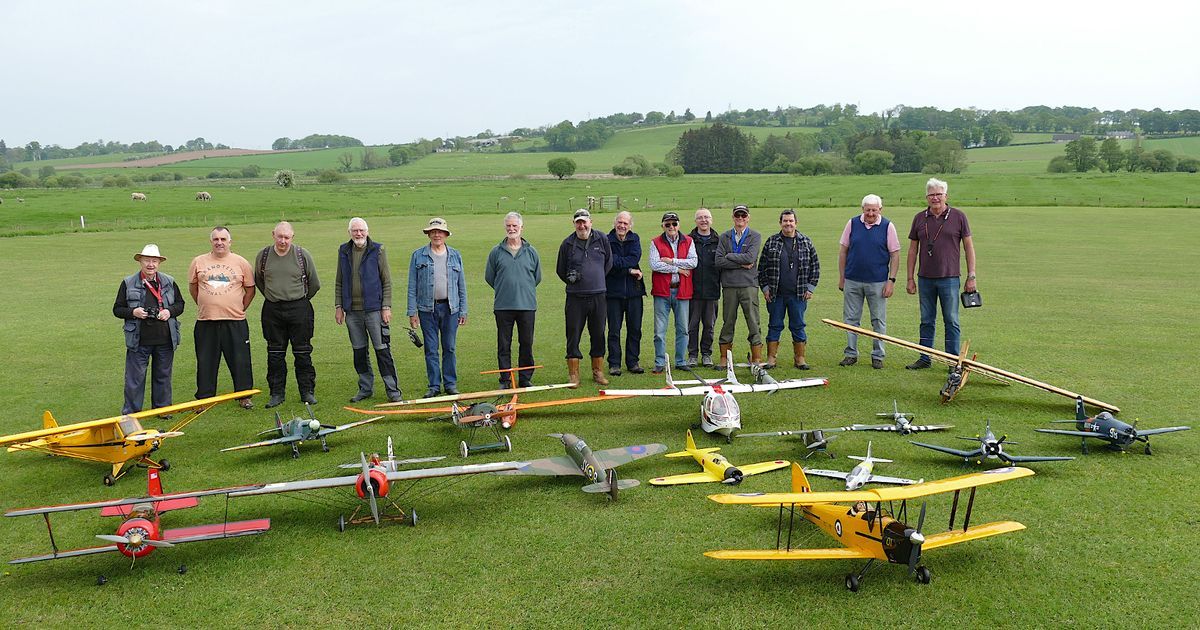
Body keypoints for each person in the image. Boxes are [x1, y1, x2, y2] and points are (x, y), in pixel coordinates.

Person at [904, 178, 977, 369]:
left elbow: (968, 247)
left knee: (951, 320)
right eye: (931, 195)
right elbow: (913, 250)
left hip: (950, 278)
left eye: (939, 194)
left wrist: (971, 275)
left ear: (946, 196)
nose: (935, 198)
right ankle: (925, 357)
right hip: (925, 279)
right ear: (926, 197)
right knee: (926, 320)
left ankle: (952, 361)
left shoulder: (959, 216)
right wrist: (910, 278)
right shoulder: (919, 218)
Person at [335, 217, 403, 402]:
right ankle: (365, 388)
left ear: (367, 231)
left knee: (382, 350)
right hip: (352, 313)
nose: (359, 234)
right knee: (359, 351)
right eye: (355, 230)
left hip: (374, 311)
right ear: (349, 232)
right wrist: (339, 306)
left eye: (362, 230)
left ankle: (393, 390)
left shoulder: (377, 250)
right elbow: (339, 281)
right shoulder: (343, 250)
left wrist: (386, 307)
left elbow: (386, 281)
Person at [254, 221, 321, 408]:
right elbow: (259, 281)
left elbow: (314, 283)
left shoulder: (302, 255)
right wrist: (274, 296)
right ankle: (276, 393)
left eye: (286, 237)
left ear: (292, 237)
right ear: (273, 234)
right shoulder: (264, 256)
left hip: (299, 308)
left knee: (302, 352)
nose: (283, 240)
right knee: (275, 353)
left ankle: (307, 392)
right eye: (279, 236)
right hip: (273, 310)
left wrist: (299, 299)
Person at [188, 226, 255, 408]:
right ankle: (205, 398)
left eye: (223, 239)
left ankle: (244, 395)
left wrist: (239, 307)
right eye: (216, 239)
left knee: (240, 359)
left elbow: (250, 289)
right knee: (206, 360)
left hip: (235, 321)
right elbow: (193, 288)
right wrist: (207, 304)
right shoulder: (198, 261)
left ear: (230, 242)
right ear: (211, 241)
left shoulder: (241, 262)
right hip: (206, 321)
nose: (219, 243)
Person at [114, 244, 185, 414]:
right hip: (139, 341)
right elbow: (117, 309)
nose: (150, 264)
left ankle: (162, 410)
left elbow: (180, 305)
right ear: (140, 262)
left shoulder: (169, 281)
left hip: (165, 339)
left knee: (163, 377)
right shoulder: (128, 282)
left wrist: (169, 311)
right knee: (134, 380)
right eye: (147, 260)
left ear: (159, 263)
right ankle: (131, 413)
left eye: (154, 261)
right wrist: (133, 312)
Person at [837, 195, 900, 369]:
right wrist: (842, 277)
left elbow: (895, 255)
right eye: (867, 210)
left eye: (874, 210)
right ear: (862, 209)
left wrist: (891, 281)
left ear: (880, 209)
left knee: (878, 320)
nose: (870, 213)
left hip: (878, 282)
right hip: (852, 280)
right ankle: (851, 353)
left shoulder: (888, 226)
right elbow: (843, 251)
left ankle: (878, 355)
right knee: (850, 319)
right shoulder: (852, 224)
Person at [408, 218, 468, 397]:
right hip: (427, 310)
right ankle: (434, 386)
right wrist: (412, 312)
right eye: (433, 231)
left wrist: (463, 309)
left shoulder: (455, 255)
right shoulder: (418, 255)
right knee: (431, 349)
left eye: (440, 231)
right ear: (428, 234)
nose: (436, 234)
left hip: (451, 309)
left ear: (446, 234)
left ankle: (450, 384)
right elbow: (412, 286)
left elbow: (461, 285)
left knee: (449, 347)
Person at [556, 209, 613, 387]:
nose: (582, 225)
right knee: (573, 334)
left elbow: (608, 263)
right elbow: (560, 269)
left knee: (598, 333)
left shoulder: (602, 239)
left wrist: (596, 279)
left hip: (598, 295)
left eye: (584, 222)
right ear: (574, 224)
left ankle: (598, 372)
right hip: (575, 298)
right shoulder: (567, 243)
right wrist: (574, 282)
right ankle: (573, 374)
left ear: (591, 222)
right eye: (578, 222)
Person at [485, 213, 542, 389]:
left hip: (527, 305)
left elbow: (537, 277)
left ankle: (525, 378)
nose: (511, 229)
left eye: (515, 226)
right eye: (509, 226)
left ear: (521, 228)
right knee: (504, 344)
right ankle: (505, 380)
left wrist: (522, 289)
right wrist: (505, 289)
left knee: (526, 343)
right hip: (503, 306)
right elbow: (490, 277)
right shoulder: (496, 252)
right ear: (505, 228)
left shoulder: (532, 252)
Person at [758, 210, 820, 370]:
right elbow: (761, 268)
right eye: (785, 221)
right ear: (780, 223)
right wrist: (765, 288)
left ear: (796, 223)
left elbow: (815, 267)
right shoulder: (771, 241)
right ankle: (771, 358)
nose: (788, 224)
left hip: (798, 294)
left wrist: (811, 288)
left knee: (798, 325)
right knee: (774, 325)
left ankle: (800, 358)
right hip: (775, 294)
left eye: (791, 221)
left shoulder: (806, 242)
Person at [715, 205, 764, 368]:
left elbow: (751, 257)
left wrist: (730, 257)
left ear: (748, 217)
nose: (740, 218)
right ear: (733, 217)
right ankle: (724, 357)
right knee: (728, 321)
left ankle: (756, 358)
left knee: (753, 320)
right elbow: (719, 261)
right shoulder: (724, 237)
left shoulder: (755, 236)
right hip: (729, 286)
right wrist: (741, 263)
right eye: (738, 215)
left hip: (749, 285)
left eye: (743, 216)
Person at [649, 212, 697, 373]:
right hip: (662, 291)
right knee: (660, 331)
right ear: (662, 225)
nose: (671, 227)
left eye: (674, 224)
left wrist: (672, 261)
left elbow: (693, 262)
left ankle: (681, 361)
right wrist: (678, 269)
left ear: (679, 225)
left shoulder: (689, 241)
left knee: (683, 329)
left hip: (682, 290)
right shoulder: (655, 242)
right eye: (667, 224)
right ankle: (660, 362)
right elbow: (655, 265)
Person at [604, 211, 645, 376]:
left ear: (630, 225)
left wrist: (624, 266)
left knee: (635, 329)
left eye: (625, 223)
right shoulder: (606, 240)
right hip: (613, 293)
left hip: (634, 291)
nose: (622, 226)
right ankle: (614, 363)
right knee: (614, 330)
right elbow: (609, 263)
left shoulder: (635, 239)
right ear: (615, 223)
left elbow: (634, 258)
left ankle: (633, 362)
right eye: (619, 222)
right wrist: (629, 270)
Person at [687, 208, 721, 367]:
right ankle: (692, 355)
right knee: (692, 326)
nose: (703, 220)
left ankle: (707, 354)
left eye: (706, 217)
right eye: (700, 218)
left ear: (711, 220)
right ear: (696, 221)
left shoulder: (719, 240)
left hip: (712, 291)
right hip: (692, 291)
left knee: (709, 325)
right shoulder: (688, 240)